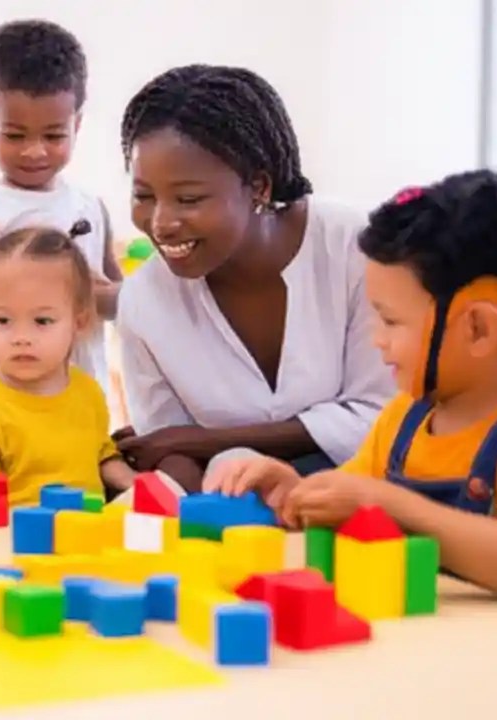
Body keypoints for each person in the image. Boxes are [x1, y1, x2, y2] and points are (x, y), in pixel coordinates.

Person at [208, 171, 497, 617]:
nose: (377, 338)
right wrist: (300, 495)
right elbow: (358, 509)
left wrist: (388, 503)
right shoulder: (402, 422)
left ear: (478, 328)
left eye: (391, 321)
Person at [115, 64, 393, 492]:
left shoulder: (352, 247)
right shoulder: (143, 302)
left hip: (369, 506)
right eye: (143, 196)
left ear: (259, 186)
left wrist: (206, 441)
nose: (161, 222)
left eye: (188, 198)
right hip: (233, 514)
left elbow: (381, 417)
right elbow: (168, 451)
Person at [0, 19, 120, 394]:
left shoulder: (89, 208)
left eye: (54, 135)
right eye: (15, 135)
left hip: (77, 398)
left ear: (77, 125)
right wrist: (15, 259)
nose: (35, 150)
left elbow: (120, 302)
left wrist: (78, 284)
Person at [0, 228, 137, 506]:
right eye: (2, 321)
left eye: (42, 321)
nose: (21, 338)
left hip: (90, 537)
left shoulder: (88, 391)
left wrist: (140, 485)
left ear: (79, 322)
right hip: (14, 539)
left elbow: (102, 455)